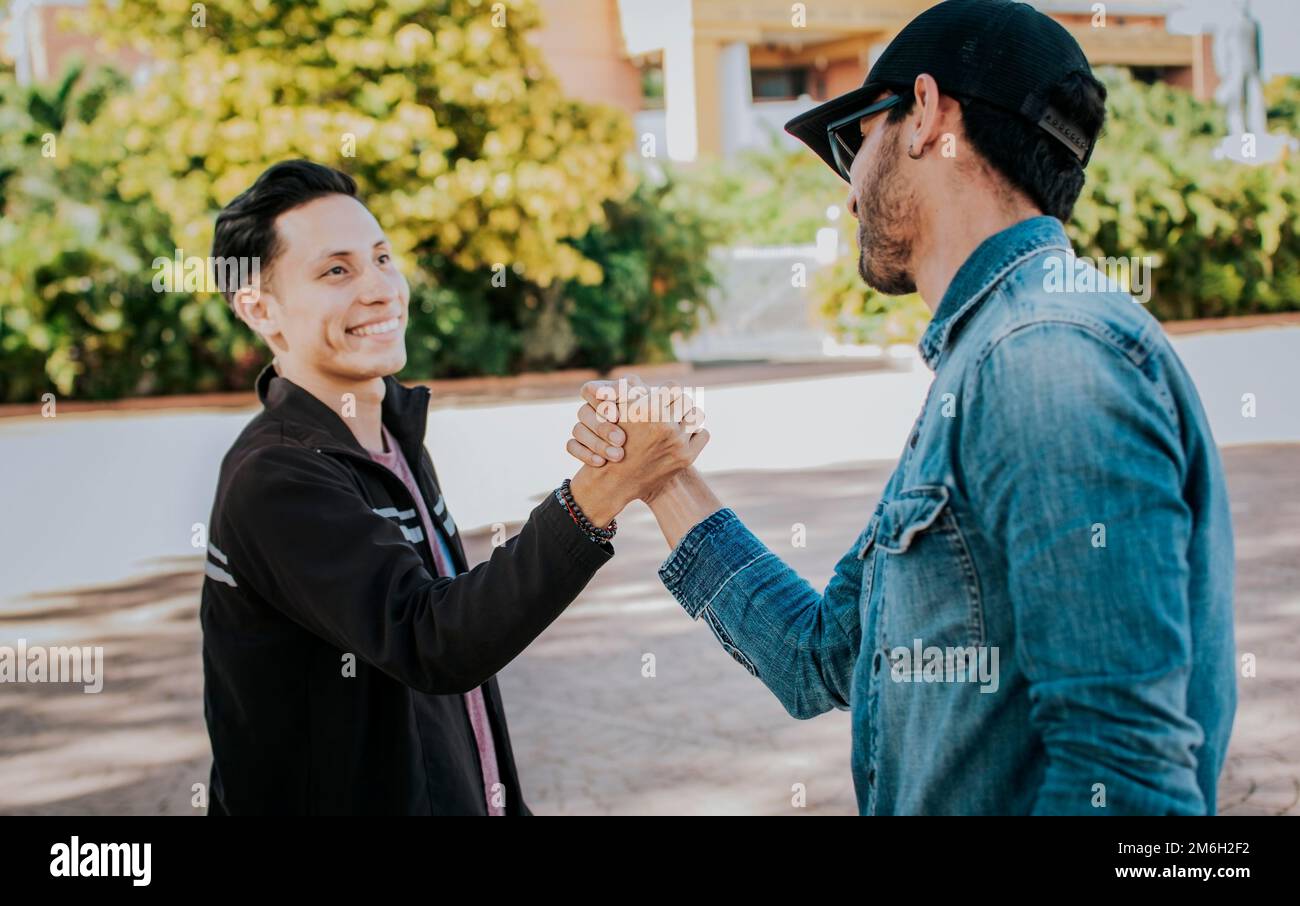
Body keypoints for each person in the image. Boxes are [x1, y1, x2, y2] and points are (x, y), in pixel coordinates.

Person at [568, 0, 1236, 815]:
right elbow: (817, 658)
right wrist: (663, 477)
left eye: (852, 143)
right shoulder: (991, 361)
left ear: (924, 114)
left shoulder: (1046, 359)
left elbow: (1129, 784)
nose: (848, 193)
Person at [199, 160, 705, 814]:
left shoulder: (389, 435)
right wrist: (602, 491)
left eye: (383, 258)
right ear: (260, 308)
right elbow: (433, 642)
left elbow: (452, 666)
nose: (381, 289)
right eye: (336, 271)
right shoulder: (276, 477)